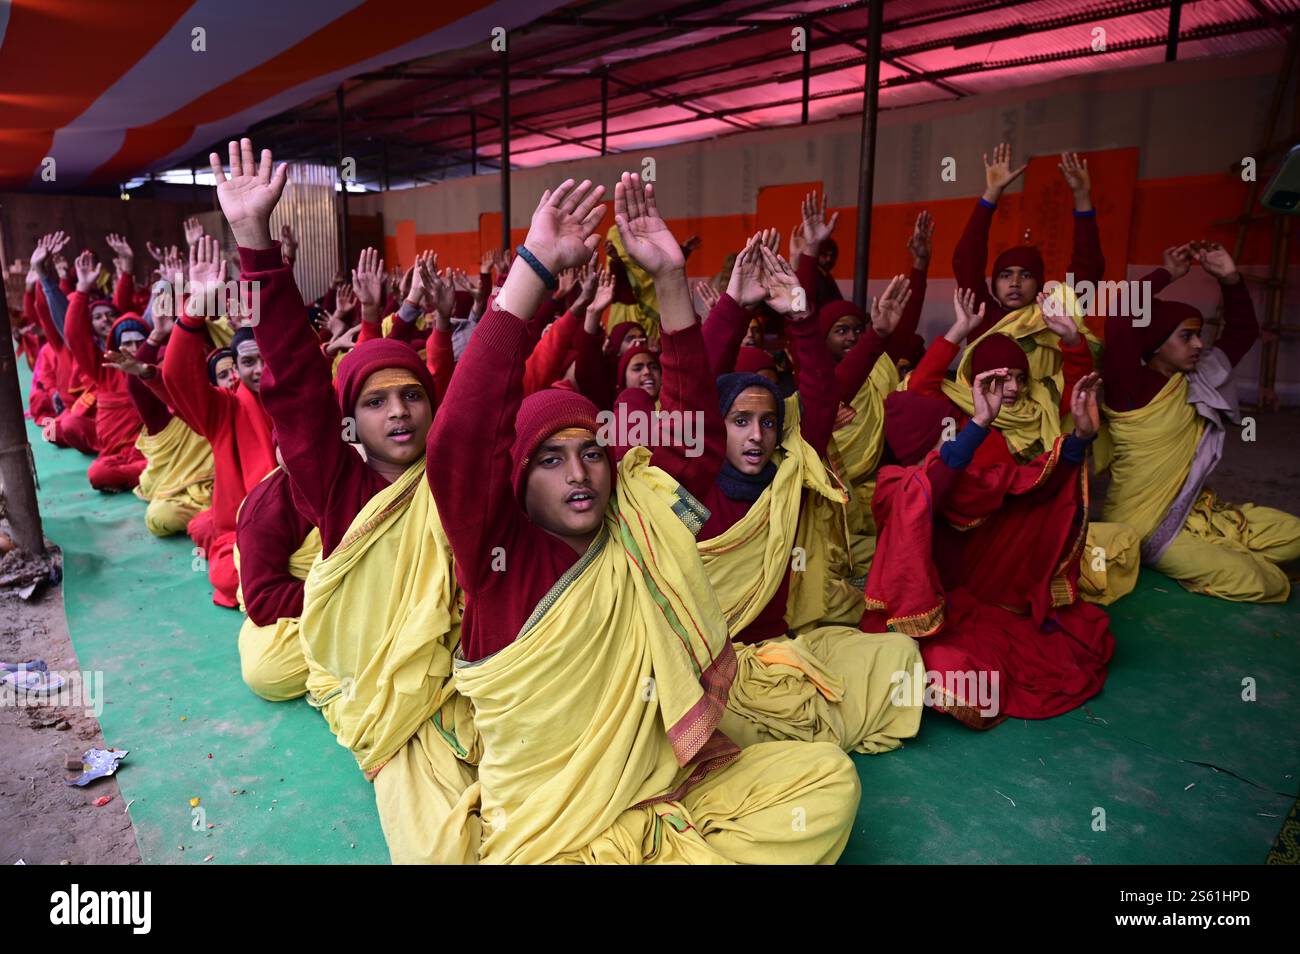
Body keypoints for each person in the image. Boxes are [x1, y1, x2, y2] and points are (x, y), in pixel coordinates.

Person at [430, 170, 859, 864]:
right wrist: (531, 272)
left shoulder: (636, 526)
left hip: (660, 791)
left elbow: (693, 439)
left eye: (592, 453)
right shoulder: (497, 559)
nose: (578, 473)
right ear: (514, 482)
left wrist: (670, 282)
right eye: (549, 461)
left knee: (827, 782)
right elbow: (461, 436)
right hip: (554, 834)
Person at [213, 137, 475, 864]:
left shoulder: (455, 477)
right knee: (442, 851)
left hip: (459, 668)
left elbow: (488, 388)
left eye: (412, 397)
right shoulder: (339, 486)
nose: (398, 413)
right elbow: (295, 385)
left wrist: (443, 322)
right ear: (350, 424)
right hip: (386, 688)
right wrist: (255, 246)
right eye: (376, 402)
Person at [863, 291, 1115, 727]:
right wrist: (977, 419)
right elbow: (925, 422)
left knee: (1087, 610)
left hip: (995, 568)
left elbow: (1033, 484)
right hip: (943, 588)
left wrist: (1079, 439)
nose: (1013, 388)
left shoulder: (1032, 416)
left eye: (1020, 376)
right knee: (948, 666)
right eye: (999, 379)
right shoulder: (940, 444)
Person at [1102, 240, 1300, 602]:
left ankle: (1218, 546)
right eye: (1186, 336)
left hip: (1198, 511)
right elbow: (1120, 320)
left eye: (1199, 335)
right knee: (1261, 582)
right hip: (1148, 524)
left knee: (1295, 537)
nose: (1197, 345)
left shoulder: (1201, 377)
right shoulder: (1132, 387)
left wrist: (1230, 278)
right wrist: (1168, 274)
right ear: (1158, 342)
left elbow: (1242, 333)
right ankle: (1213, 556)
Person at [161, 236, 277, 608]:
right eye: (247, 362)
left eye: (265, 358)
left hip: (301, 530)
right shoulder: (225, 410)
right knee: (225, 576)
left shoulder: (301, 398)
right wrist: (194, 308)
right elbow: (177, 375)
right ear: (236, 368)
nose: (258, 369)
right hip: (246, 534)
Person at [953, 145, 1104, 340]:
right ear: (995, 283)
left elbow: (1089, 266)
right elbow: (966, 258)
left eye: (1025, 275)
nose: (1015, 283)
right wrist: (991, 194)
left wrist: (1082, 196)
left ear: (1039, 283)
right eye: (1005, 275)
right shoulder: (980, 315)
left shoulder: (1057, 317)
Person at [233, 463, 321, 702]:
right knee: (267, 670)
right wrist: (354, 592)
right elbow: (264, 601)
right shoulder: (269, 506)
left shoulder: (366, 472)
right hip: (309, 610)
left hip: (395, 594)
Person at [62, 251, 148, 491]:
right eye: (126, 343)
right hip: (111, 450)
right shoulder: (104, 368)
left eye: (138, 343)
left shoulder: (155, 370)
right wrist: (81, 289)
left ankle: (149, 475)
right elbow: (74, 335)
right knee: (70, 429)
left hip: (149, 453)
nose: (132, 349)